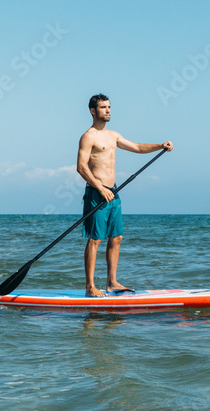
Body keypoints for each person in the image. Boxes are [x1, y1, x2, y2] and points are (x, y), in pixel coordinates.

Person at [76, 93, 172, 297]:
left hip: (114, 192)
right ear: (93, 111)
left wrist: (159, 146)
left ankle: (111, 283)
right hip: (96, 192)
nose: (108, 110)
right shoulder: (88, 136)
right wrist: (100, 188)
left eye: (109, 107)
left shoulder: (113, 135)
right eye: (103, 107)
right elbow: (81, 167)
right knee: (95, 239)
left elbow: (137, 147)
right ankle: (90, 286)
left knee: (117, 237)